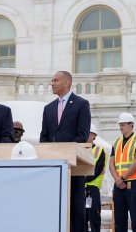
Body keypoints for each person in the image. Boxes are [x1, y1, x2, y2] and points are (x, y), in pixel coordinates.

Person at [40, 70, 91, 232]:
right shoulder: (48, 108)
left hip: (73, 167)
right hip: (53, 168)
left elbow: (82, 135)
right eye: (51, 80)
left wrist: (62, 151)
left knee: (75, 206)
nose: (52, 83)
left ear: (67, 82)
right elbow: (44, 138)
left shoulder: (81, 104)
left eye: (55, 80)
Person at [109, 112, 136, 232]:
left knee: (135, 217)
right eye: (120, 125)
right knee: (119, 219)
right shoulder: (116, 142)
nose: (121, 127)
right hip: (119, 184)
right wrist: (117, 179)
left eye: (123, 124)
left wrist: (122, 178)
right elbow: (111, 164)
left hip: (132, 184)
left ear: (131, 125)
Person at [86, 125, 107, 232]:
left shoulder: (99, 151)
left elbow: (97, 169)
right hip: (80, 189)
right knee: (81, 217)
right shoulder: (79, 149)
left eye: (89, 133)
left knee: (94, 216)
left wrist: (83, 180)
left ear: (94, 136)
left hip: (93, 188)